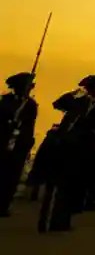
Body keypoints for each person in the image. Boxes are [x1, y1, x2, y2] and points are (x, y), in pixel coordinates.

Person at [39, 74, 95, 233]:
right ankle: (49, 220)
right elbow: (57, 104)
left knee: (73, 187)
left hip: (81, 149)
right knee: (58, 185)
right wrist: (76, 95)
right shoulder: (76, 100)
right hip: (66, 146)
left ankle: (63, 220)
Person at [0, 72, 38, 217]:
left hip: (19, 146)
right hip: (3, 142)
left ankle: (4, 205)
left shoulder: (30, 104)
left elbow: (30, 126)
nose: (31, 88)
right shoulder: (5, 101)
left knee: (12, 176)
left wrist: (27, 143)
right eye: (29, 85)